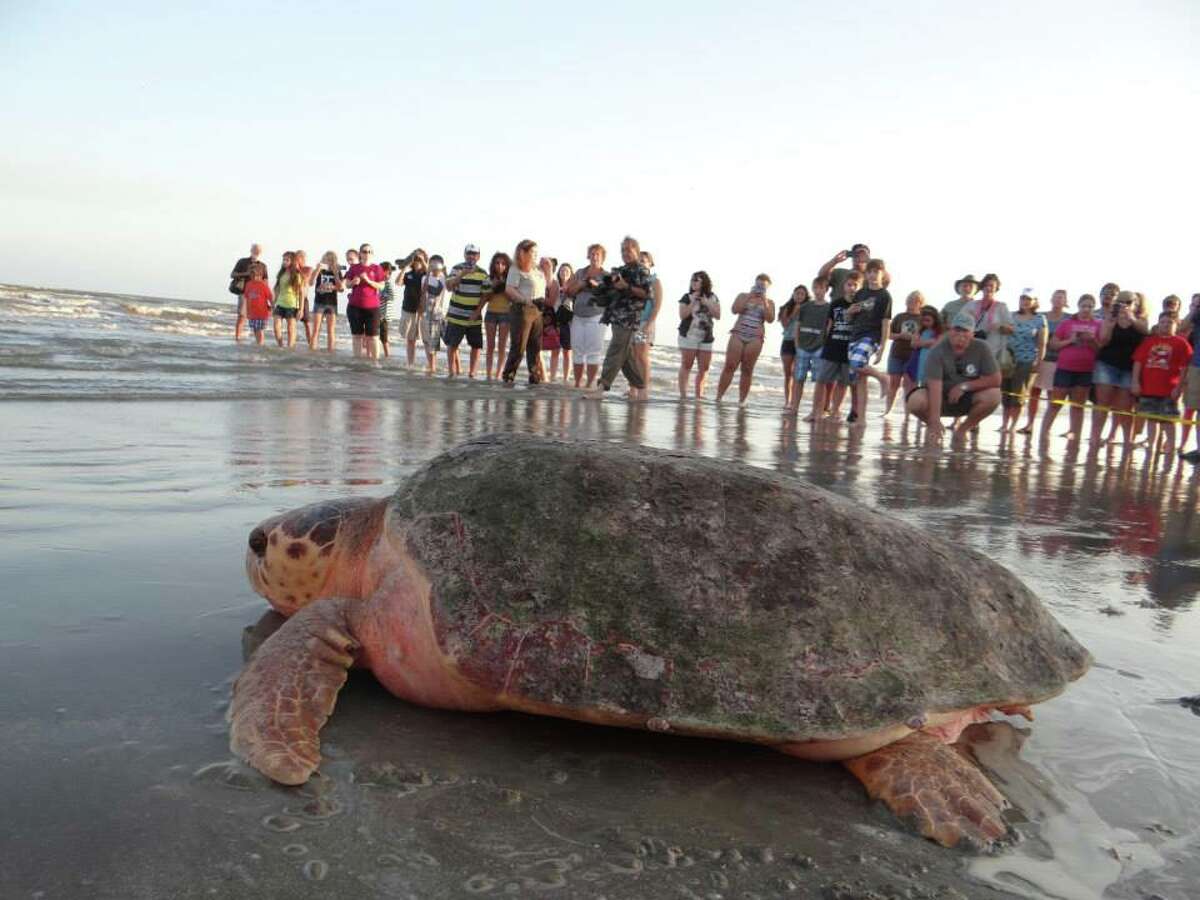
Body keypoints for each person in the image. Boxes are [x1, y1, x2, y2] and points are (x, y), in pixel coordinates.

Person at [905, 312, 1001, 442]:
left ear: (972, 333)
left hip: (968, 398)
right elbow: (935, 388)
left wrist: (964, 386)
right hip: (939, 398)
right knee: (915, 401)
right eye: (957, 329)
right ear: (950, 331)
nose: (960, 334)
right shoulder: (937, 351)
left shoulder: (982, 348)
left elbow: (995, 379)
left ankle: (963, 430)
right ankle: (935, 426)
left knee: (994, 395)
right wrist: (934, 420)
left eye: (965, 331)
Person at [586, 236, 654, 398]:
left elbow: (646, 294)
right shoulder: (621, 270)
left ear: (636, 251)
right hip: (615, 316)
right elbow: (607, 289)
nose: (625, 253)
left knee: (615, 351)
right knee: (626, 357)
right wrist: (596, 287)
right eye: (623, 250)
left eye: (628, 250)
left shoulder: (641, 271)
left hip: (629, 318)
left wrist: (627, 286)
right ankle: (642, 389)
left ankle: (601, 388)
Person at [1040, 293, 1102, 443]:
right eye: (1084, 306)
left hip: (1085, 370)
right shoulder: (1067, 323)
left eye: (1090, 306)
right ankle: (1043, 434)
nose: (1086, 309)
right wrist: (1070, 340)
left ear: (1094, 308)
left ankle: (1075, 437)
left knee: (1077, 406)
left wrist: (1091, 340)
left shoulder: (1098, 324)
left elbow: (1101, 350)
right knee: (1055, 403)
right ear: (1078, 306)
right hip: (1065, 368)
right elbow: (1053, 344)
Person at [1132, 312, 1193, 458]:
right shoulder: (1149, 341)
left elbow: (1185, 368)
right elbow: (1138, 362)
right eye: (1163, 322)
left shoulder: (1181, 343)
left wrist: (1179, 388)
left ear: (1176, 324)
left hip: (1169, 389)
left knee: (1168, 420)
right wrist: (1135, 382)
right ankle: (1151, 446)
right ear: (1158, 323)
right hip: (1149, 387)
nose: (1166, 325)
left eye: (1169, 323)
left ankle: (1170, 447)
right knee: (1151, 419)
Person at [806, 270, 859, 422]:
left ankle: (835, 412)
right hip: (832, 346)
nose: (852, 288)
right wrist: (825, 342)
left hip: (849, 349)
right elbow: (829, 324)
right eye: (849, 285)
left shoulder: (860, 306)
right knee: (821, 380)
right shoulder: (836, 304)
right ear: (844, 286)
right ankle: (815, 412)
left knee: (843, 383)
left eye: (855, 285)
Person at [844, 259, 892, 424]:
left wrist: (883, 347)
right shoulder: (860, 293)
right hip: (855, 335)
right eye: (870, 272)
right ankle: (861, 420)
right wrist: (849, 311)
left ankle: (883, 378)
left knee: (856, 364)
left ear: (882, 274)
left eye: (876, 272)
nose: (872, 275)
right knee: (859, 379)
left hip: (871, 336)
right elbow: (849, 317)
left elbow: (886, 323)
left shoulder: (884, 295)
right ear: (866, 274)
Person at [716, 274, 776, 405]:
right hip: (738, 333)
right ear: (754, 284)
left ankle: (742, 401)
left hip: (755, 337)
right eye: (758, 285)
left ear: (767, 288)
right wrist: (750, 296)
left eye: (763, 287)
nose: (759, 288)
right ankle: (718, 397)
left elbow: (770, 319)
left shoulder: (769, 302)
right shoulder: (743, 296)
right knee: (730, 365)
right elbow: (735, 309)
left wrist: (764, 301)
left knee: (747, 369)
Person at [1090, 293, 1141, 446]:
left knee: (1125, 406)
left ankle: (1127, 440)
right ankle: (1095, 437)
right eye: (1120, 302)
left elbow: (1145, 332)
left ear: (1135, 304)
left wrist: (1130, 317)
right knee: (1102, 403)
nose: (1124, 305)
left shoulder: (1140, 320)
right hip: (1107, 364)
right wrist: (1111, 324)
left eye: (1128, 302)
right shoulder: (1109, 319)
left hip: (1129, 367)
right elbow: (1103, 341)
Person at [1019, 289, 1070, 434]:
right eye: (1056, 297)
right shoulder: (1042, 316)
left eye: (1061, 298)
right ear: (1051, 299)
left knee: (1052, 395)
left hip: (1058, 361)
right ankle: (1030, 424)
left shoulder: (1068, 318)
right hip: (1040, 358)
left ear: (1065, 301)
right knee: (1034, 392)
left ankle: (1047, 427)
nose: (1058, 300)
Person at [502, 239, 550, 384]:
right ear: (523, 253)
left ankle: (534, 377)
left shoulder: (537, 270)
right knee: (519, 345)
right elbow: (509, 289)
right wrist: (525, 300)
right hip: (522, 309)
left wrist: (548, 270)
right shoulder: (516, 269)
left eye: (536, 252)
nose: (536, 255)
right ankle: (508, 376)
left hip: (538, 309)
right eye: (533, 252)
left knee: (535, 346)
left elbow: (546, 286)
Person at [1000, 289, 1046, 434]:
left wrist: (1039, 362)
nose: (1025, 301)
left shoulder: (1039, 319)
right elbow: (1000, 333)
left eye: (1028, 299)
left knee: (1018, 394)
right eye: (1023, 298)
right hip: (1008, 359)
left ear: (1034, 301)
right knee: (1006, 392)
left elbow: (1042, 343)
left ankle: (1013, 425)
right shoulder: (1011, 316)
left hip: (1027, 360)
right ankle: (1004, 424)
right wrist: (1003, 328)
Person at [565, 244, 609, 389]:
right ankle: (578, 383)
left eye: (597, 254)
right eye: (592, 253)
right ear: (588, 255)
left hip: (596, 316)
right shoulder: (580, 272)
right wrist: (583, 283)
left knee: (593, 352)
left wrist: (595, 286)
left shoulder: (606, 275)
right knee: (577, 350)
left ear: (602, 257)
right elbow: (569, 291)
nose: (594, 256)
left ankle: (590, 383)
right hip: (578, 315)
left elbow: (608, 295)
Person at [785, 278, 829, 416]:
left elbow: (829, 326)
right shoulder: (805, 307)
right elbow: (797, 325)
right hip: (803, 346)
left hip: (819, 347)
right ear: (813, 289)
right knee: (799, 378)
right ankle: (794, 408)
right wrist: (797, 344)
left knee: (820, 381)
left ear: (826, 290)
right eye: (815, 288)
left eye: (821, 288)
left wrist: (824, 343)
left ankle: (817, 411)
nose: (818, 291)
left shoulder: (829, 308)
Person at [443, 244, 488, 378]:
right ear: (464, 254)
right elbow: (449, 287)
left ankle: (472, 373)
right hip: (456, 315)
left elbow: (485, 295)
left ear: (478, 256)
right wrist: (461, 274)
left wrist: (477, 311)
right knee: (452, 344)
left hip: (474, 317)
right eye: (469, 253)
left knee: (476, 345)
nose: (471, 256)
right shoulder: (457, 268)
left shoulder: (483, 273)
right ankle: (451, 372)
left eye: (474, 254)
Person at [676, 271, 720, 399]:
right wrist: (693, 302)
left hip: (706, 336)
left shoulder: (712, 297)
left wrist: (707, 303)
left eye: (696, 280)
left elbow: (718, 315)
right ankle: (683, 394)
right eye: (692, 280)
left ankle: (699, 395)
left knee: (704, 367)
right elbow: (683, 315)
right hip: (689, 335)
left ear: (704, 283)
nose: (693, 283)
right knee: (687, 364)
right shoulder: (687, 296)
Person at [881, 290, 922, 416]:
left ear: (920, 303)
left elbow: (926, 337)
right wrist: (900, 335)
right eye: (909, 300)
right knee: (894, 384)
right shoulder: (899, 317)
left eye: (915, 301)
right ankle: (888, 411)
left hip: (913, 356)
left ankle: (908, 415)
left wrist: (915, 338)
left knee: (910, 386)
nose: (911, 303)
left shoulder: (923, 319)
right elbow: (888, 334)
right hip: (896, 354)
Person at [344, 243, 386, 360]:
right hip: (354, 306)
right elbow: (347, 284)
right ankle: (357, 361)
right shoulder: (354, 268)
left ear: (372, 254)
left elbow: (381, 286)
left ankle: (375, 362)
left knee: (373, 337)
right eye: (364, 251)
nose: (366, 254)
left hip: (372, 307)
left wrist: (368, 280)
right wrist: (353, 282)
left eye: (369, 252)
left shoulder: (377, 268)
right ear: (360, 253)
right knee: (356, 336)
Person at [630, 251, 662, 400]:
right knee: (632, 356)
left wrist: (649, 324)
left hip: (646, 322)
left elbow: (657, 305)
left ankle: (644, 389)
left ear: (650, 264)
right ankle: (633, 389)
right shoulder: (633, 281)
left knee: (642, 356)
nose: (641, 263)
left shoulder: (654, 281)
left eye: (644, 261)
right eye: (639, 261)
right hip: (632, 322)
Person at [482, 252, 512, 380]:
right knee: (490, 346)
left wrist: (503, 286)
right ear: (493, 265)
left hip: (506, 313)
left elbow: (512, 297)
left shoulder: (511, 280)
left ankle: (498, 374)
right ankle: (488, 374)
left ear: (507, 266)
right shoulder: (488, 279)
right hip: (491, 313)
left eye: (503, 264)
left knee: (502, 346)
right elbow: (486, 298)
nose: (500, 266)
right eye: (497, 263)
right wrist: (493, 287)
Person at [395, 249, 427, 367]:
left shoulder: (426, 274)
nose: (417, 261)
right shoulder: (409, 274)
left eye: (420, 258)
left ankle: (430, 364)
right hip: (408, 309)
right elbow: (398, 282)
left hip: (422, 311)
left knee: (426, 340)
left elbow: (431, 275)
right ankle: (410, 364)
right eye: (416, 258)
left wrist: (423, 261)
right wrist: (405, 266)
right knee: (410, 339)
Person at [777, 285, 808, 408]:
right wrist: (793, 313)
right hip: (788, 341)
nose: (799, 296)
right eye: (797, 293)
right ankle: (787, 400)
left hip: (801, 342)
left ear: (805, 296)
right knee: (787, 373)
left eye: (802, 294)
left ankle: (795, 402)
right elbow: (784, 325)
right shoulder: (786, 307)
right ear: (793, 294)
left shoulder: (808, 308)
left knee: (797, 373)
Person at [308, 251, 343, 352]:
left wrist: (336, 274)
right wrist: (318, 269)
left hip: (332, 303)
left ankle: (330, 353)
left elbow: (341, 289)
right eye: (326, 259)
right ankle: (312, 352)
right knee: (315, 330)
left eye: (331, 260)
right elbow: (310, 283)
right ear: (323, 259)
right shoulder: (319, 270)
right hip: (319, 302)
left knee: (331, 330)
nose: (328, 262)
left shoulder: (337, 271)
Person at [1179, 294, 1200, 461]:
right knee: (1194, 406)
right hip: (1197, 365)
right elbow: (1182, 327)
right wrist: (1194, 309)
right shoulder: (1197, 314)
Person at [229, 243, 264, 342]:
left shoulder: (262, 265)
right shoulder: (242, 261)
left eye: (258, 251)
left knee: (256, 318)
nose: (256, 252)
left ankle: (259, 341)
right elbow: (232, 274)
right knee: (242, 315)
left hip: (257, 294)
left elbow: (265, 281)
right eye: (255, 250)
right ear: (251, 250)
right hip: (244, 292)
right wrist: (246, 274)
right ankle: (237, 338)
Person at [420, 256, 448, 374]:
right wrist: (427, 273)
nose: (435, 267)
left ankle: (456, 369)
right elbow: (423, 292)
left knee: (450, 342)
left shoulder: (443, 279)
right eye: (432, 264)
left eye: (437, 264)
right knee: (430, 344)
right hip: (428, 314)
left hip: (440, 314)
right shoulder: (425, 278)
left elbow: (447, 288)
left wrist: (444, 272)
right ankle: (432, 368)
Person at [272, 251, 302, 348]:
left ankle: (290, 347)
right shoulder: (281, 274)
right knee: (276, 326)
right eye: (283, 260)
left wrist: (300, 310)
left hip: (292, 305)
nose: (284, 262)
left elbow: (301, 293)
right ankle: (281, 346)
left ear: (292, 261)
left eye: (287, 260)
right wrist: (273, 303)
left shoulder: (297, 275)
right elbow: (277, 289)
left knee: (291, 328)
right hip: (280, 303)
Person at [242, 262, 273, 346]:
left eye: (256, 275)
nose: (254, 277)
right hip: (252, 313)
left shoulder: (263, 285)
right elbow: (246, 298)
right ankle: (258, 343)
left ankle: (261, 344)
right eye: (252, 275)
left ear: (260, 275)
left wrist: (273, 307)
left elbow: (270, 297)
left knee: (260, 330)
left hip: (262, 312)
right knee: (255, 329)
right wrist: (246, 312)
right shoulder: (248, 285)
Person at [554, 262, 575, 382]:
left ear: (571, 274)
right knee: (555, 350)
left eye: (567, 271)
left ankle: (566, 378)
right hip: (556, 320)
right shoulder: (554, 286)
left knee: (567, 351)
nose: (564, 273)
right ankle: (553, 376)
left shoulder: (574, 288)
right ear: (558, 273)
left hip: (569, 321)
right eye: (562, 271)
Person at [377, 261, 396, 359]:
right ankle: (380, 354)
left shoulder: (388, 284)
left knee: (384, 337)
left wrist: (381, 295)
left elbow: (392, 296)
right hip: (379, 313)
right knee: (378, 335)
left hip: (384, 315)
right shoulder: (381, 283)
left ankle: (387, 355)